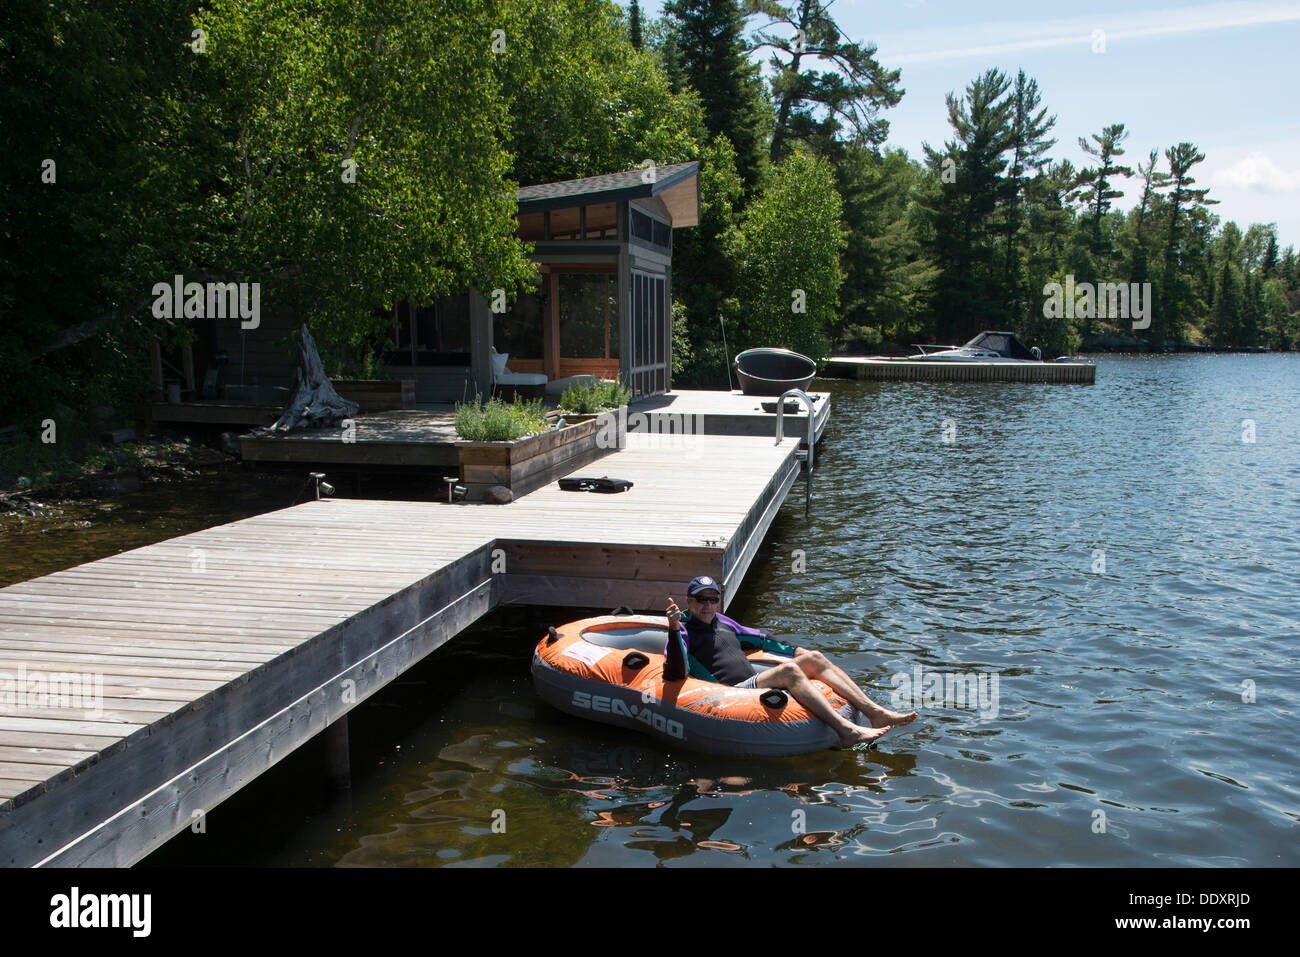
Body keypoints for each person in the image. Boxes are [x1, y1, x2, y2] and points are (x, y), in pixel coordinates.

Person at [664, 575, 917, 748]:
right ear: (689, 600)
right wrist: (674, 627)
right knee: (790, 672)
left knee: (814, 658)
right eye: (701, 599)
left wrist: (796, 649)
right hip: (728, 692)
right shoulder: (684, 631)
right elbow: (676, 670)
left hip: (752, 681)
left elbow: (762, 639)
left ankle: (876, 713)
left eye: (712, 599)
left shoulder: (725, 623)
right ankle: (847, 731)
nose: (707, 605)